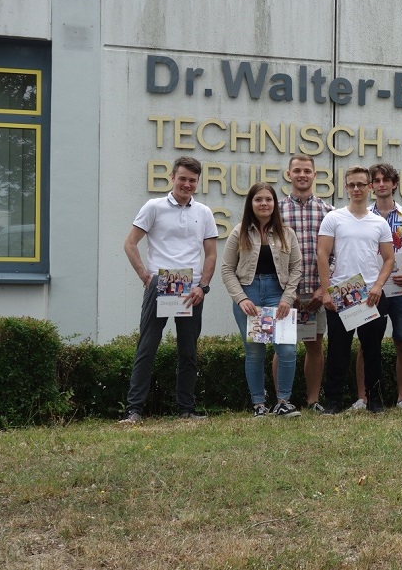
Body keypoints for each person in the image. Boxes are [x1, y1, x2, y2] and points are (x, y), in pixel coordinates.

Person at [120, 156, 218, 423]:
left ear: (198, 182)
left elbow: (210, 255)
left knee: (188, 352)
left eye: (192, 180)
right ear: (172, 178)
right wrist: (145, 276)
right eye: (182, 178)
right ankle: (134, 410)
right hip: (160, 285)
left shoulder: (204, 213)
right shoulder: (154, 207)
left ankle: (186, 409)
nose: (187, 184)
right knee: (147, 348)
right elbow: (130, 243)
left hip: (191, 289)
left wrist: (203, 287)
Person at [221, 183, 303, 417]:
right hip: (250, 294)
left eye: (268, 199)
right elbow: (227, 269)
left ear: (275, 204)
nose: (264, 203)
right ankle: (259, 404)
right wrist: (240, 299)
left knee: (287, 350)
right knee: (254, 351)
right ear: (251, 204)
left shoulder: (287, 233)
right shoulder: (239, 232)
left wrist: (288, 297)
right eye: (258, 200)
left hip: (278, 294)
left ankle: (283, 402)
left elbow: (297, 267)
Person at [317, 166, 394, 414]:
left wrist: (379, 286)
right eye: (352, 185)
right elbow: (322, 254)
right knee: (338, 351)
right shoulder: (334, 218)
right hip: (341, 294)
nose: (357, 189)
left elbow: (389, 259)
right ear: (346, 188)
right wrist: (326, 290)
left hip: (371, 296)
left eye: (362, 184)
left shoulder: (379, 223)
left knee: (372, 351)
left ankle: (375, 401)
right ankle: (334, 402)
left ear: (370, 187)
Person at [351, 162, 402, 411]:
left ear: (394, 184)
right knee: (367, 344)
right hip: (371, 290)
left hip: (400, 289)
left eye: (386, 180)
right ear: (371, 186)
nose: (381, 184)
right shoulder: (361, 216)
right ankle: (363, 397)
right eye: (377, 180)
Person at [277, 153, 334, 412]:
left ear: (315, 175)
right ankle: (282, 400)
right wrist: (285, 294)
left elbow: (336, 254)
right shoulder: (276, 211)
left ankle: (313, 401)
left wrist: (324, 289)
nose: (302, 175)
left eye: (307, 171)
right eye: (297, 170)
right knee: (282, 347)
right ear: (288, 175)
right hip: (283, 293)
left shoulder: (328, 212)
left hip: (315, 293)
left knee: (314, 346)